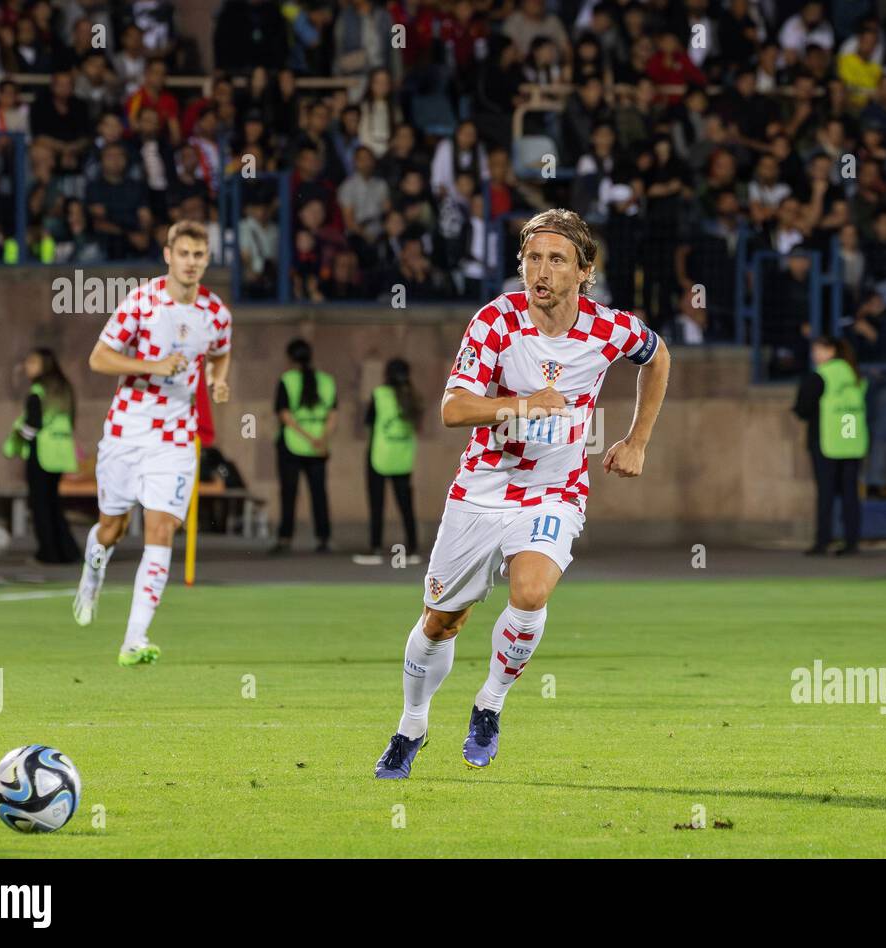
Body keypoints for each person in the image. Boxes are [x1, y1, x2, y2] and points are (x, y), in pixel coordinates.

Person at [374, 208, 671, 779]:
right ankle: (412, 724)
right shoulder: (496, 321)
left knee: (531, 592)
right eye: (533, 257)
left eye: (557, 259)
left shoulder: (611, 328)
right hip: (482, 489)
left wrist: (637, 440)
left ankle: (488, 704)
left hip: (555, 491)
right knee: (441, 622)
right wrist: (523, 403)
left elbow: (657, 356)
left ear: (584, 271)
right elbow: (453, 408)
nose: (541, 270)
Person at [71, 221, 233, 667]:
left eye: (199, 255)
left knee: (161, 530)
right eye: (184, 253)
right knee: (113, 527)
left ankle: (134, 639)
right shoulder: (142, 302)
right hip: (128, 429)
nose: (191, 262)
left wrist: (218, 382)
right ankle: (93, 570)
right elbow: (99, 357)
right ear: (168, 255)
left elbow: (220, 352)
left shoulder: (216, 312)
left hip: (177, 436)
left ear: (206, 259)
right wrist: (154, 364)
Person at [2, 348, 81, 564]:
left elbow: (32, 426)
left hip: (41, 453)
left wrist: (19, 433)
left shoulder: (37, 391)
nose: (27, 367)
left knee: (40, 505)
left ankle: (48, 552)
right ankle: (68, 551)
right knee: (53, 503)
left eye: (32, 363)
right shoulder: (64, 389)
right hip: (61, 453)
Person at [792, 335, 867, 556]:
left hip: (825, 441)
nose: (815, 355)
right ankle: (852, 541)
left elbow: (802, 407)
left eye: (819, 350)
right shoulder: (854, 374)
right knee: (850, 494)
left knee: (825, 494)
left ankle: (823, 541)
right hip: (852, 442)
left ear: (831, 351)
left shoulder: (821, 376)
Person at [271, 338, 337, 554]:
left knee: (289, 493)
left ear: (290, 358)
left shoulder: (287, 379)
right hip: (318, 446)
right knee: (319, 493)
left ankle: (285, 538)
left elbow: (285, 415)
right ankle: (323, 538)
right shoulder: (327, 381)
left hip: (291, 445)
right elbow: (333, 415)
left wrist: (306, 436)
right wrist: (321, 440)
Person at [353, 358, 420, 565]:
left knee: (377, 504)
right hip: (403, 456)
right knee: (406, 505)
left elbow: (369, 424)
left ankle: (375, 549)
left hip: (379, 455)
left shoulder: (379, 394)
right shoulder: (414, 398)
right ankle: (413, 549)